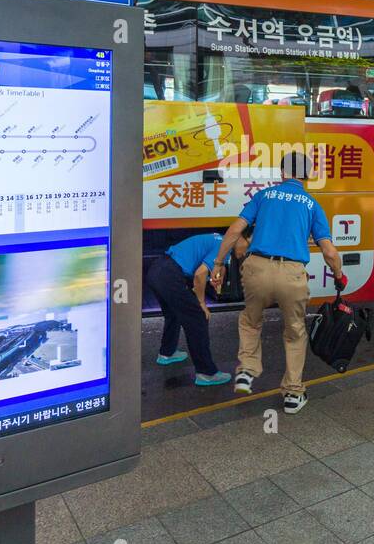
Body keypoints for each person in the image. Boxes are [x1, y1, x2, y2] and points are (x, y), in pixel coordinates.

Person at [210, 151, 345, 414]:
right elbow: (329, 252)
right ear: (305, 175)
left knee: (250, 321)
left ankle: (247, 372)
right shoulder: (312, 204)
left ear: (282, 173)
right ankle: (293, 394)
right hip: (292, 274)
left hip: (257, 269)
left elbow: (235, 230)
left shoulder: (263, 196)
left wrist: (218, 263)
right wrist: (339, 276)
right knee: (295, 331)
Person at [146, 229, 250, 386]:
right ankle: (206, 373)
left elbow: (204, 268)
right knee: (198, 318)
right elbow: (200, 275)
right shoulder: (224, 246)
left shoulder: (219, 239)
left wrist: (218, 273)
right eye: (250, 246)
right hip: (170, 274)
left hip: (158, 269)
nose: (247, 253)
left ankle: (167, 353)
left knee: (173, 314)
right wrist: (202, 303)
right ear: (243, 237)